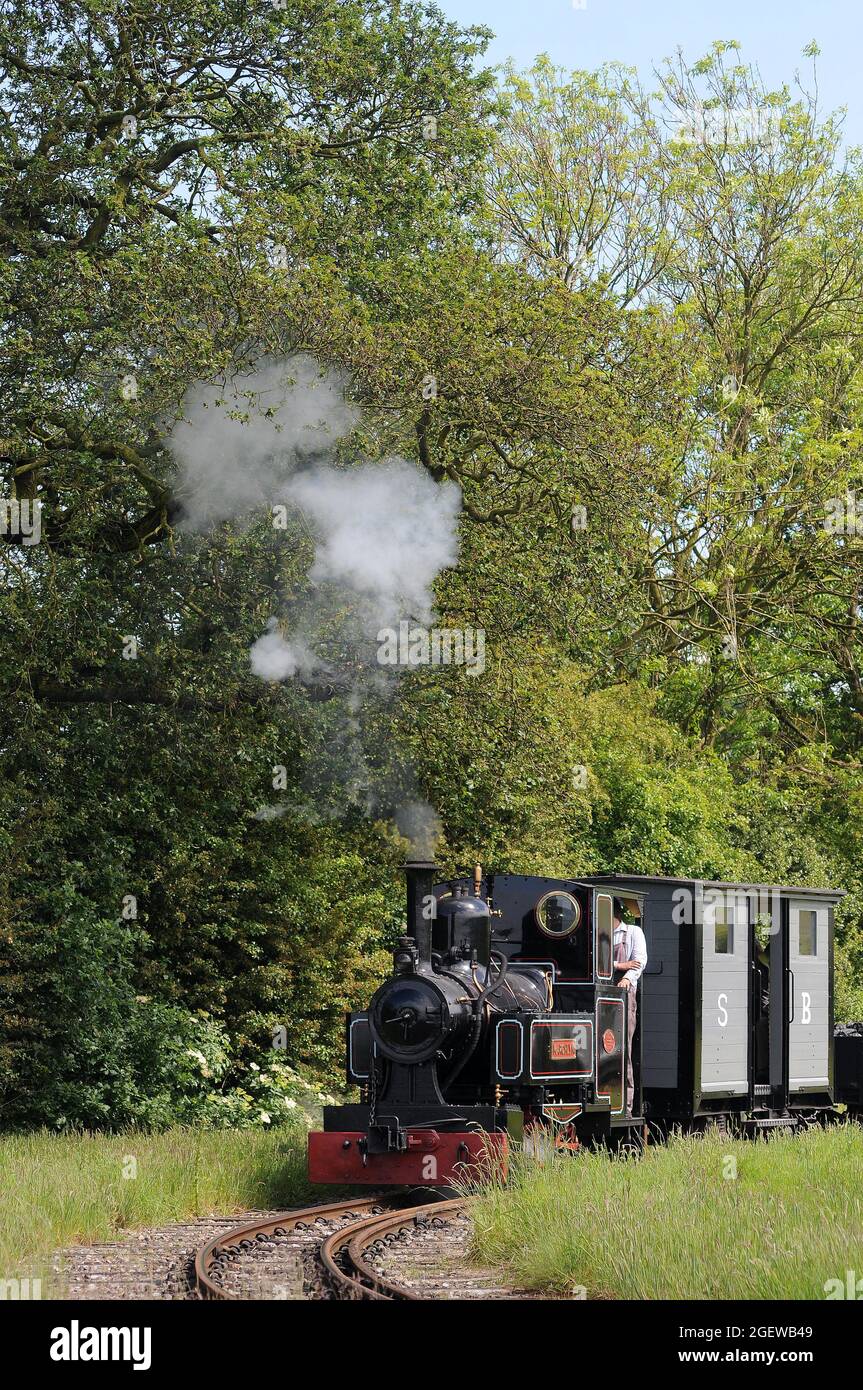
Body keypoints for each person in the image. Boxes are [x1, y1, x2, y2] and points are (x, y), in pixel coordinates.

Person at [613, 899, 648, 1114]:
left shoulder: (633, 932)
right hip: (602, 990)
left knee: (623, 1050)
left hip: (624, 994)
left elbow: (639, 961)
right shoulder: (598, 935)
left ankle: (625, 1104)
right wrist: (618, 965)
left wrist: (627, 976)